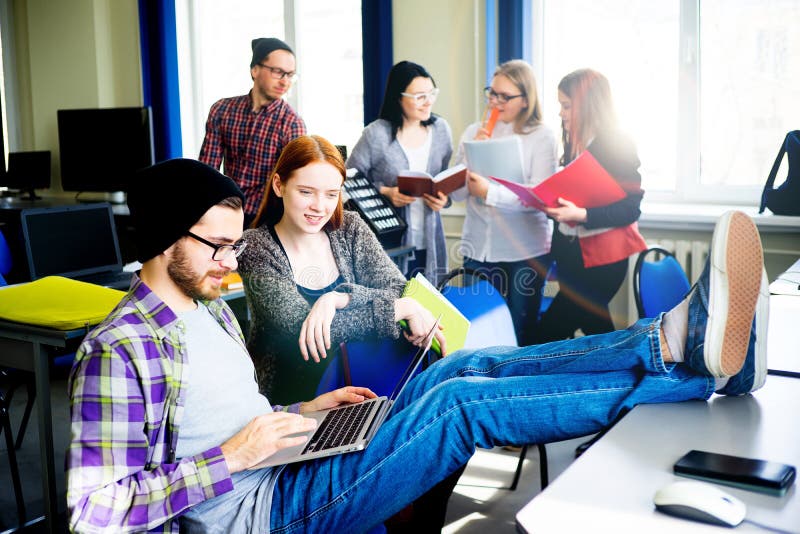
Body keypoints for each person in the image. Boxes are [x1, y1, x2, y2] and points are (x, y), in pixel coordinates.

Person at [66, 156, 768, 534]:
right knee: (461, 406)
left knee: (461, 366)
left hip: (288, 459)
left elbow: (239, 416)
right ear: (162, 240)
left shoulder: (207, 306)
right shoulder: (120, 351)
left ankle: (669, 340)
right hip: (266, 512)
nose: (232, 259)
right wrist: (235, 457)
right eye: (219, 246)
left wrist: (311, 413)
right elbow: (92, 514)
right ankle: (685, 372)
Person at [238, 135, 443, 405]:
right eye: (306, 192)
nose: (319, 206)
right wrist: (401, 309)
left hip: (365, 388)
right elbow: (303, 329)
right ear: (279, 185)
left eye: (331, 195)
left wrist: (339, 297)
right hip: (293, 403)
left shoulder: (350, 227)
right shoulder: (255, 246)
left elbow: (397, 288)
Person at [533, 68, 647, 343]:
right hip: (571, 256)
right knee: (594, 330)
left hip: (602, 261)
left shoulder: (616, 142)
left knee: (546, 333)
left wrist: (580, 214)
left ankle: (621, 369)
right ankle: (617, 373)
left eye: (567, 106)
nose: (561, 113)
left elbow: (631, 208)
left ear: (588, 105)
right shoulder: (573, 140)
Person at [451, 60, 558, 345]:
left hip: (525, 251)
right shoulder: (474, 130)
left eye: (504, 96)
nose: (495, 102)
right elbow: (458, 193)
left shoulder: (541, 137)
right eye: (492, 93)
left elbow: (540, 197)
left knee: (520, 332)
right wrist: (469, 156)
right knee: (475, 330)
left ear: (525, 100)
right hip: (478, 247)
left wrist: (490, 192)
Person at [347, 61, 452, 282]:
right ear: (399, 97)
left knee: (432, 306)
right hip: (391, 242)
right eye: (419, 96)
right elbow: (348, 180)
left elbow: (446, 179)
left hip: (431, 240)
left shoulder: (441, 130)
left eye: (431, 93)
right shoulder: (376, 134)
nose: (428, 102)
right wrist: (386, 192)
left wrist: (444, 199)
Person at [199, 37, 306, 227]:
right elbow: (207, 171)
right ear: (255, 70)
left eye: (290, 75)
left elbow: (292, 185)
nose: (285, 81)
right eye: (278, 72)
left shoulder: (291, 123)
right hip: (224, 211)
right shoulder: (222, 109)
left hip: (265, 219)